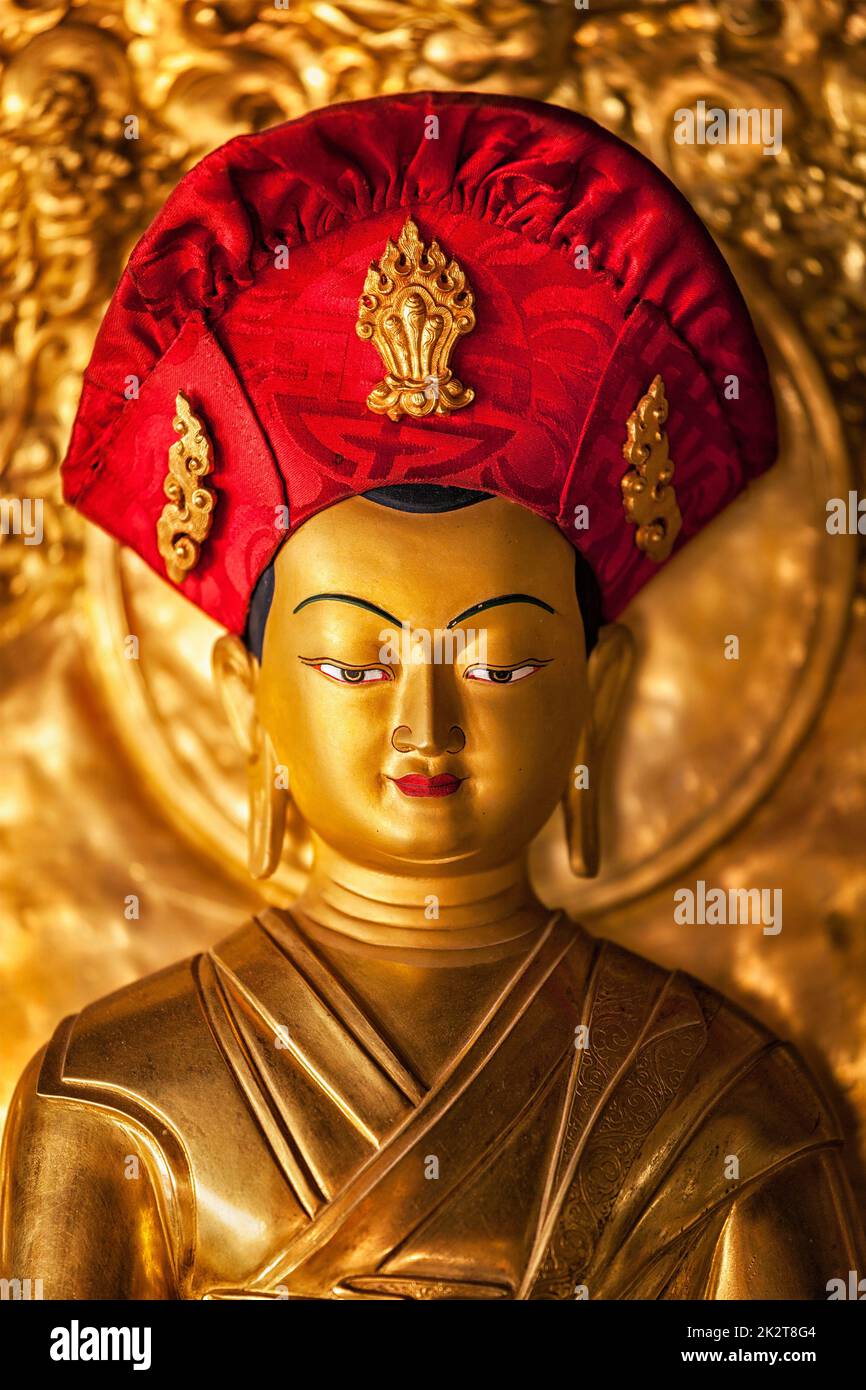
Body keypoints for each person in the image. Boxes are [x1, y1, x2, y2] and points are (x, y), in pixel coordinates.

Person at [1, 92, 861, 1300]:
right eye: (351, 665)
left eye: (498, 663)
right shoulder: (115, 1091)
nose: (425, 724)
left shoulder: (727, 1099)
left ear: (598, 691)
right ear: (247, 698)